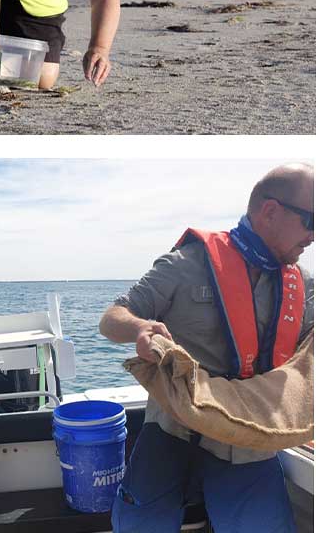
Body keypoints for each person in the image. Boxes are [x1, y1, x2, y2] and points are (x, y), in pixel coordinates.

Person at [100, 164, 313, 533]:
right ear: (270, 212)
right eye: (311, 221)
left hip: (249, 441)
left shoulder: (303, 286)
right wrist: (139, 328)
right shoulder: (186, 265)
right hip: (174, 428)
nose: (313, 236)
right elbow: (112, 317)